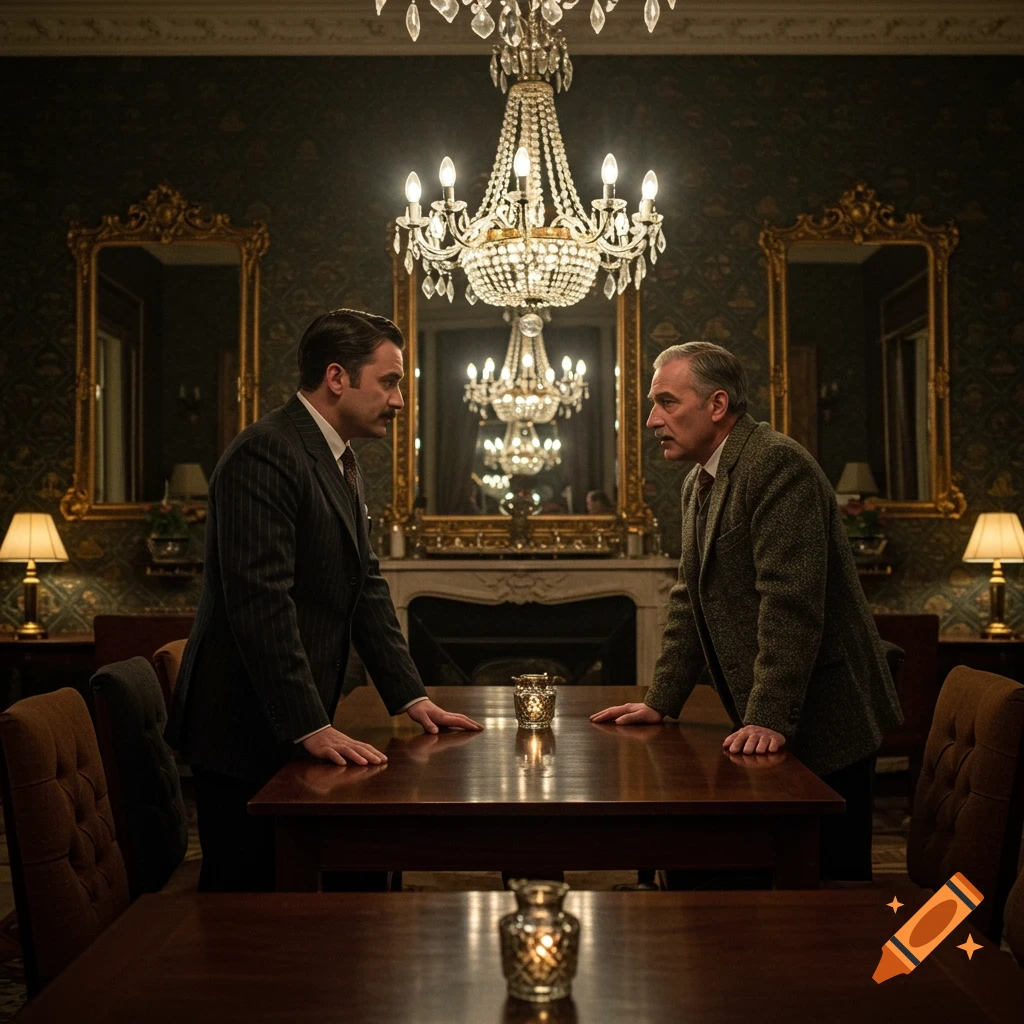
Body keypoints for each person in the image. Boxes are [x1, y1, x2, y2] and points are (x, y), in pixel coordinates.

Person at [165, 308, 482, 892]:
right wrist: (309, 724)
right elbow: (261, 602)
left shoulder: (338, 457)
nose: (399, 401)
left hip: (288, 724)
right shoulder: (266, 452)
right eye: (389, 382)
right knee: (249, 913)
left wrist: (412, 698)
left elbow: (366, 586)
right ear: (337, 377)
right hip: (247, 731)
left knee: (345, 883)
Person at [590, 341, 902, 882]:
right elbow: (689, 599)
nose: (652, 420)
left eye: (666, 402)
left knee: (831, 893)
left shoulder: (777, 464)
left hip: (825, 719)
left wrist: (766, 717)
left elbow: (791, 602)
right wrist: (660, 701)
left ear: (717, 404)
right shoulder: (697, 481)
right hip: (772, 720)